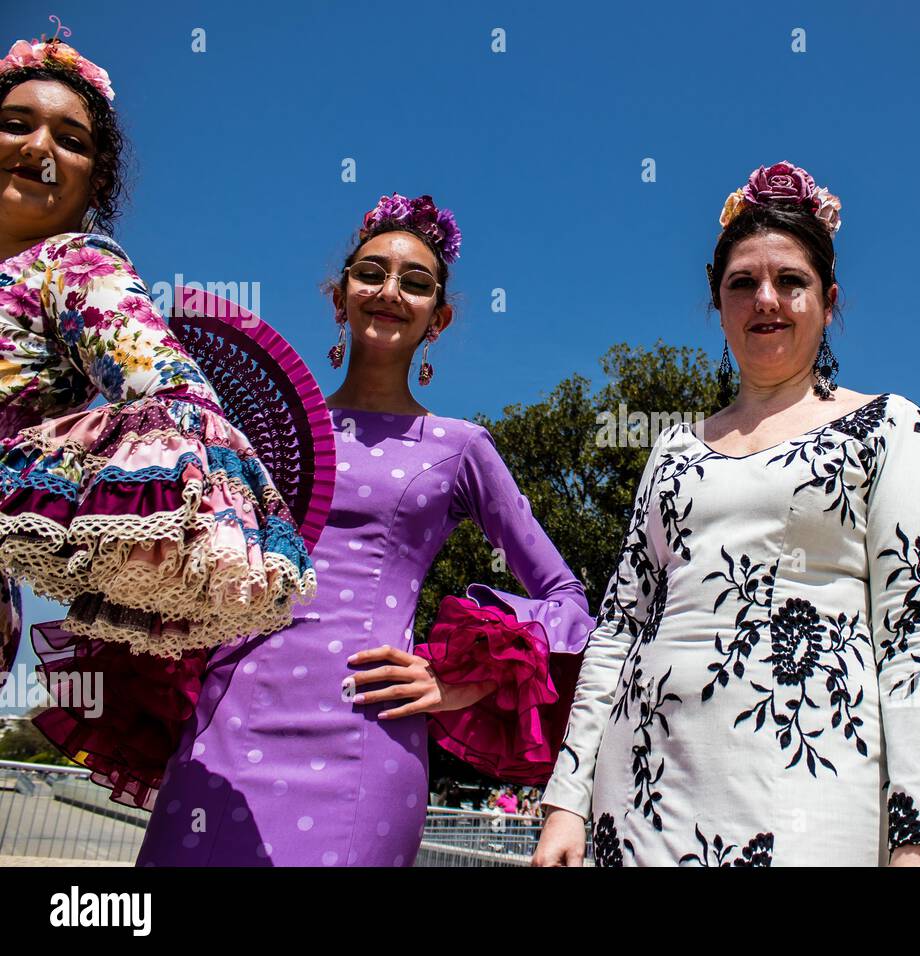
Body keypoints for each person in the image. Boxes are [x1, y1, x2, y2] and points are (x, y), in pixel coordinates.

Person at [135, 193, 592, 866]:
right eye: (371, 273)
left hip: (366, 733)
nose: (389, 292)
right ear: (338, 298)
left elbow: (567, 599)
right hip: (226, 720)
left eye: (415, 283)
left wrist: (457, 676)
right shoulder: (263, 430)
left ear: (438, 319)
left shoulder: (461, 446)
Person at [533, 161, 920, 867]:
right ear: (717, 300)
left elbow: (918, 630)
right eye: (744, 283)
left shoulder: (888, 427)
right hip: (639, 799)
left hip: (811, 792)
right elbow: (618, 629)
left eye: (790, 281)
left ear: (828, 300)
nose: (767, 299)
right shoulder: (672, 450)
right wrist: (565, 801)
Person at [0, 33, 314, 803]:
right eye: (15, 123)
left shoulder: (70, 266)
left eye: (70, 139)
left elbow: (171, 394)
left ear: (93, 178)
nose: (39, 146)